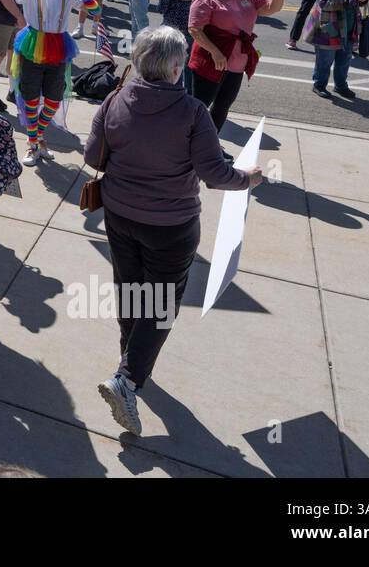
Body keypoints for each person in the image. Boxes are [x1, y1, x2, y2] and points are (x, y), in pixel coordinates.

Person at [84, 26, 261, 435]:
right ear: (177, 67)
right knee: (161, 303)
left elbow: (93, 155)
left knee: (130, 289)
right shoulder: (193, 112)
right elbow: (214, 174)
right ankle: (127, 379)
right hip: (171, 225)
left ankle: (128, 358)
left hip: (119, 215)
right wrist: (247, 178)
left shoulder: (114, 99)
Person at [8, 0, 97, 164]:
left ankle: (37, 137)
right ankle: (33, 144)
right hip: (33, 44)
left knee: (53, 99)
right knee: (30, 98)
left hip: (58, 46)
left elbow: (93, 8)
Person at [186, 0, 285, 131]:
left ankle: (211, 146)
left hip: (237, 63)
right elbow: (194, 29)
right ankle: (187, 145)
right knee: (200, 107)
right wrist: (215, 52)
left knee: (222, 107)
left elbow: (272, 8)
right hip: (210, 61)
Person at [304, 0, 368, 100]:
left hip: (349, 25)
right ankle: (319, 85)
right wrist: (350, 0)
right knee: (325, 59)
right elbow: (324, 4)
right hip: (329, 26)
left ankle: (341, 86)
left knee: (344, 58)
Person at [158, 0, 209, 92]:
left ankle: (176, 92)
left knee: (175, 62)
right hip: (197, 22)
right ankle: (192, 94)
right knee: (192, 62)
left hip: (175, 25)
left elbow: (162, 7)